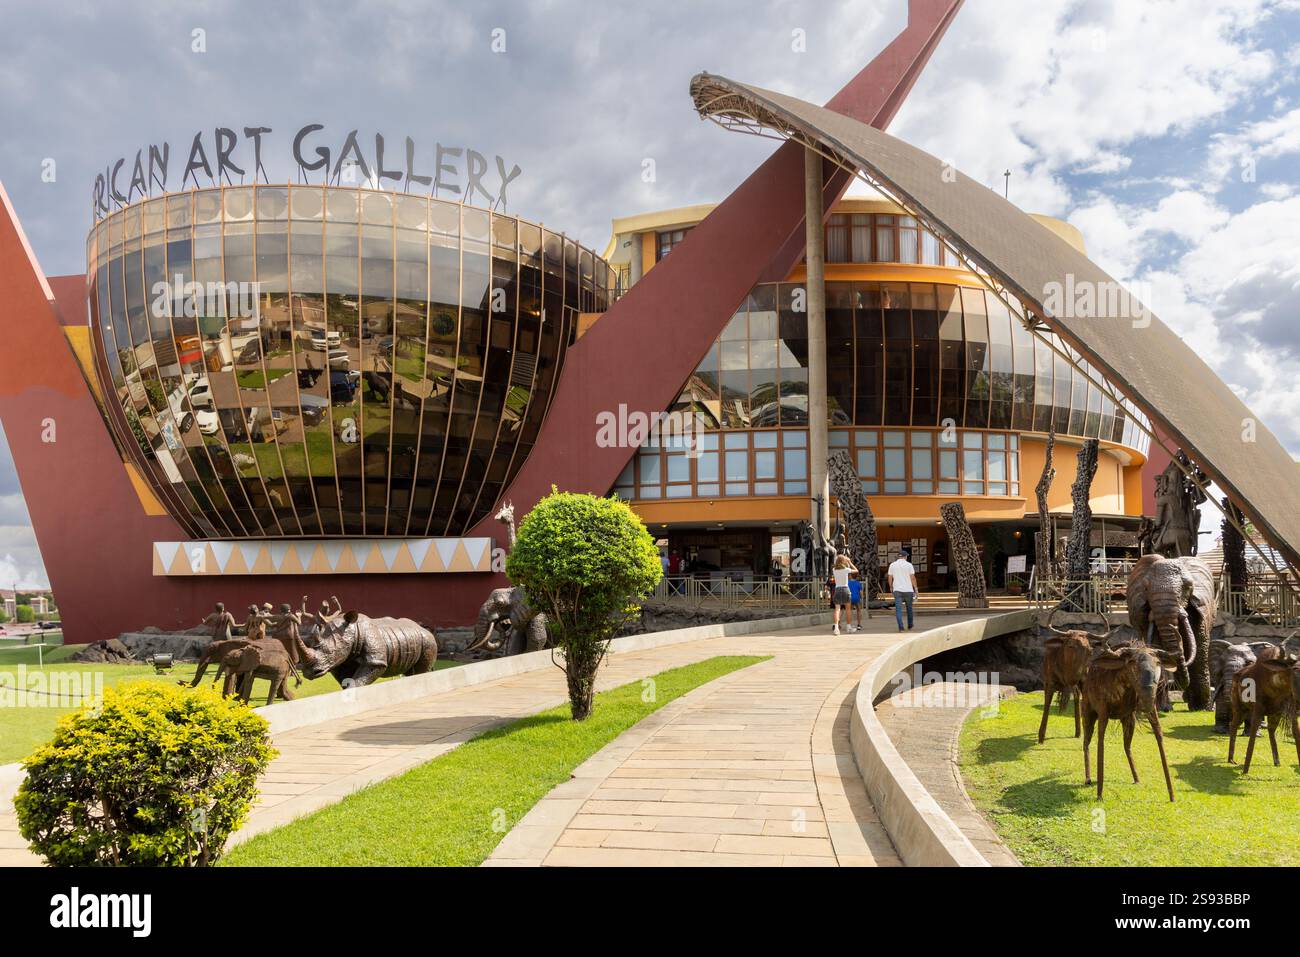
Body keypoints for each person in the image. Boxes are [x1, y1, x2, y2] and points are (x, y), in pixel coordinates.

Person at [887, 548, 919, 632]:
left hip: (897, 590)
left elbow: (890, 577)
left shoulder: (892, 565)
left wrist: (890, 587)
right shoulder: (909, 565)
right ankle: (910, 625)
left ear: (898, 557)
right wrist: (916, 589)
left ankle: (901, 627)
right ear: (905, 557)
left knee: (898, 609)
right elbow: (913, 578)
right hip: (908, 590)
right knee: (909, 609)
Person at [830, 554, 857, 636]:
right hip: (845, 589)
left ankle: (836, 628)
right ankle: (848, 627)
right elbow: (856, 570)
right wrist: (850, 562)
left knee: (837, 609)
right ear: (843, 561)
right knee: (848, 609)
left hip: (837, 589)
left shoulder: (834, 569)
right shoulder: (846, 569)